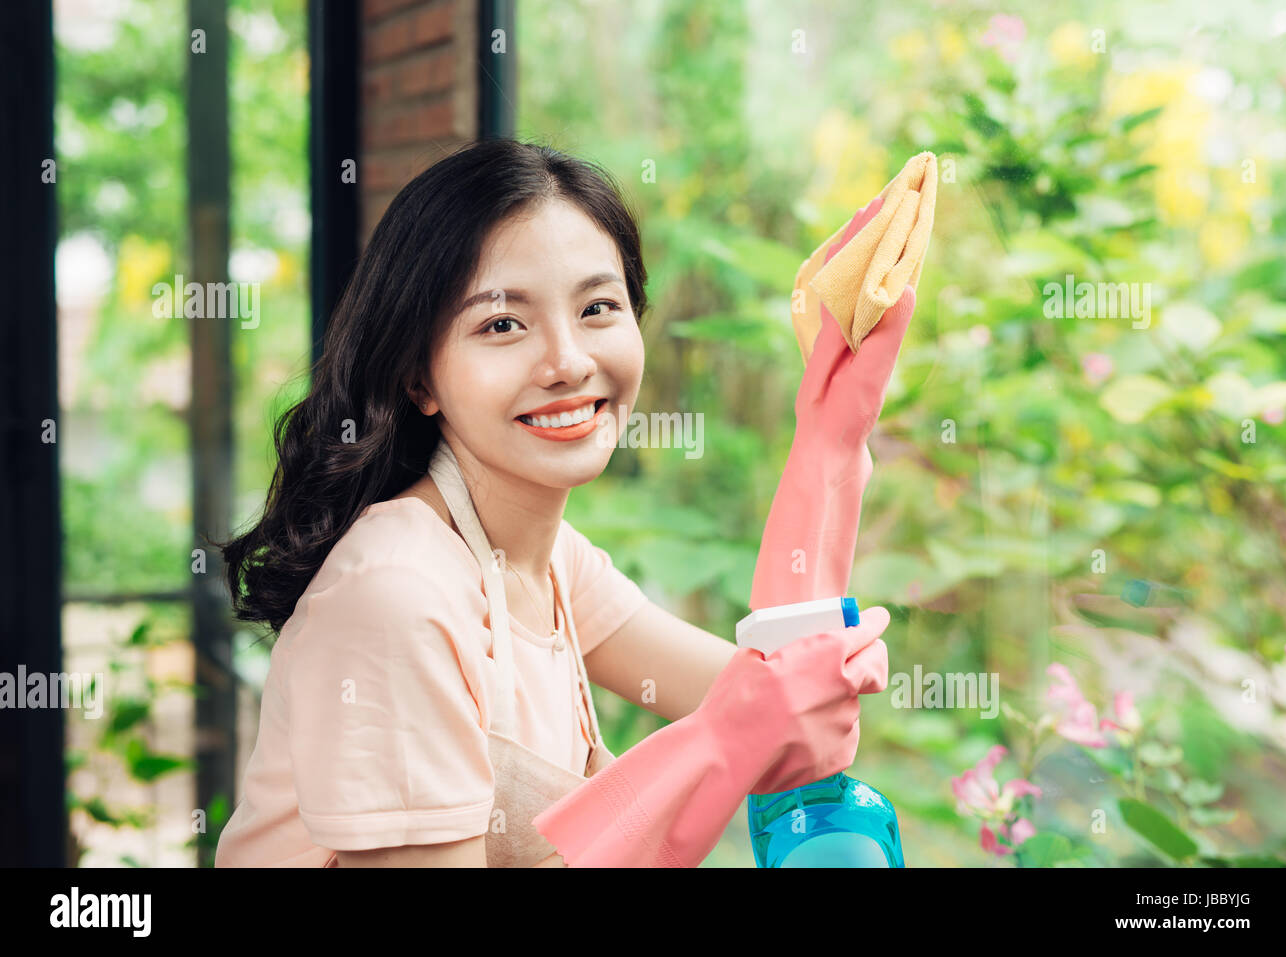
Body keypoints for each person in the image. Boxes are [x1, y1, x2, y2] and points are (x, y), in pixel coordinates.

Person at [214, 137, 892, 868]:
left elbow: (783, 705)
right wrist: (720, 741)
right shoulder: (395, 596)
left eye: (598, 306)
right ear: (421, 380)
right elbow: (748, 717)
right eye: (502, 324)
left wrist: (829, 438)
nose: (569, 362)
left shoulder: (546, 558)